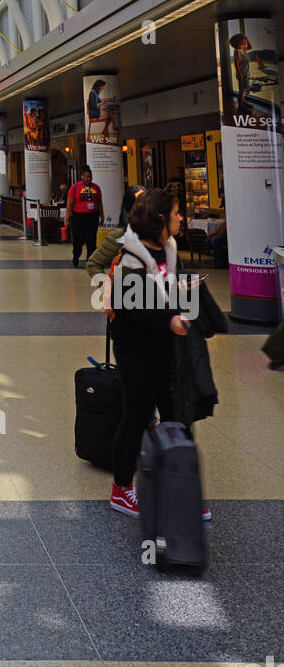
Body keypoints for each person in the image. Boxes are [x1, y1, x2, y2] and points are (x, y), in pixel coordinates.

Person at [107, 189, 211, 522]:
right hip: (136, 350)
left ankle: (181, 487)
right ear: (161, 219)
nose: (183, 217)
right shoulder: (131, 258)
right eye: (178, 213)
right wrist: (168, 319)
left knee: (177, 416)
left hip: (166, 346)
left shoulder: (168, 249)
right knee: (136, 416)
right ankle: (121, 489)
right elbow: (130, 310)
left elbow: (165, 290)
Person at [85, 185, 145, 280]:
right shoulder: (120, 235)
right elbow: (93, 264)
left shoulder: (158, 234)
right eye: (140, 202)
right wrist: (109, 289)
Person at [65, 166, 103, 267]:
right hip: (78, 217)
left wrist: (102, 216)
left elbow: (99, 203)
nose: (88, 178)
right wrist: (67, 218)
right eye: (86, 176)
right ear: (82, 177)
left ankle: (90, 259)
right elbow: (69, 204)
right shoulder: (75, 187)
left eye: (90, 177)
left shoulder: (96, 188)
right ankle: (76, 255)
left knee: (91, 239)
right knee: (78, 239)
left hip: (92, 216)